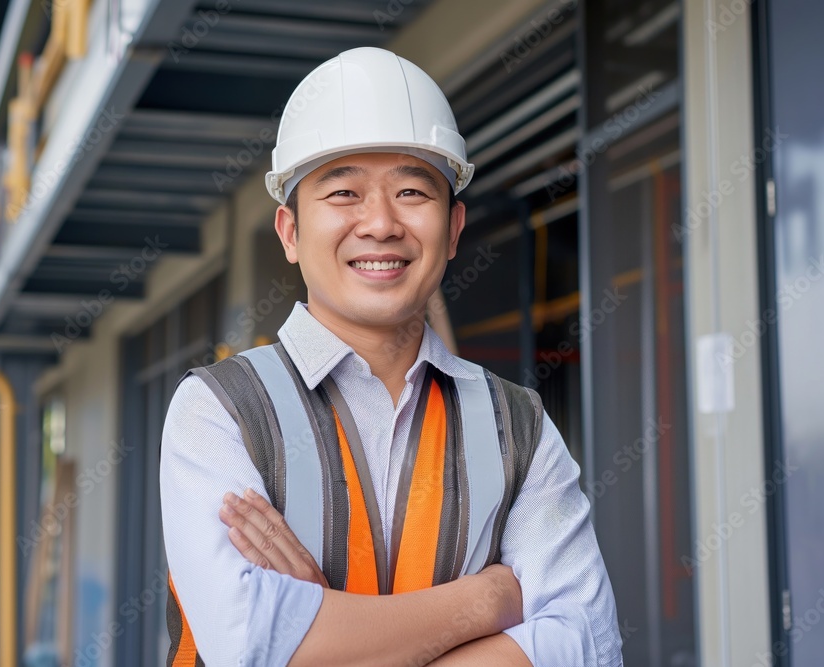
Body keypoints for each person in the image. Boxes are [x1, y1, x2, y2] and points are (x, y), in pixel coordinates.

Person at [160, 46, 623, 667]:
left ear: (454, 229)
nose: (380, 223)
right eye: (344, 192)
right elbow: (250, 641)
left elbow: (588, 645)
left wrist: (330, 635)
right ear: (290, 232)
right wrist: (486, 602)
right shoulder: (219, 410)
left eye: (411, 190)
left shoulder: (518, 425)